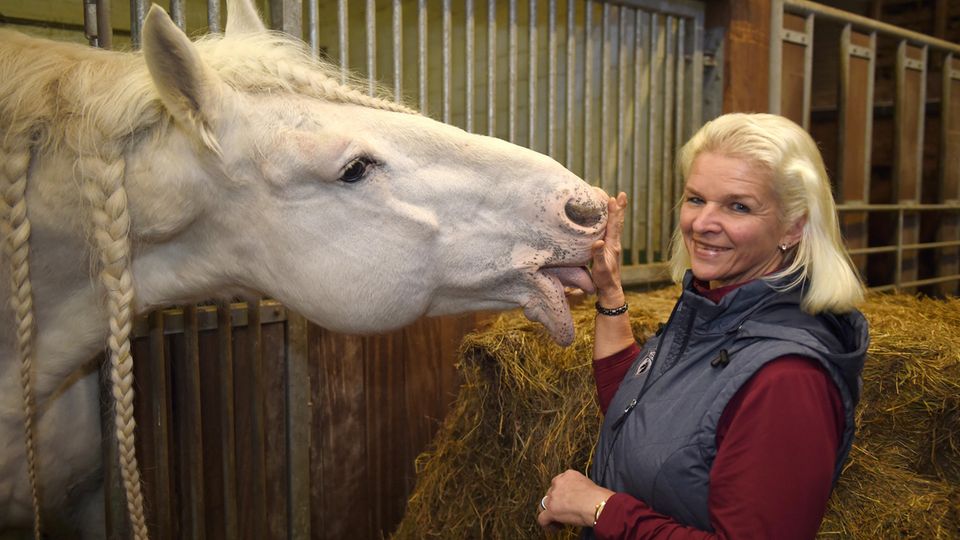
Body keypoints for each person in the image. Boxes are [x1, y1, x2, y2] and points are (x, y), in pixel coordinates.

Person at [536, 113, 869, 539]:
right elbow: (641, 409)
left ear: (794, 226)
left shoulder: (788, 379)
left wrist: (601, 509)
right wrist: (610, 294)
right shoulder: (715, 308)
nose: (702, 223)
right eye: (696, 199)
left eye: (738, 206)